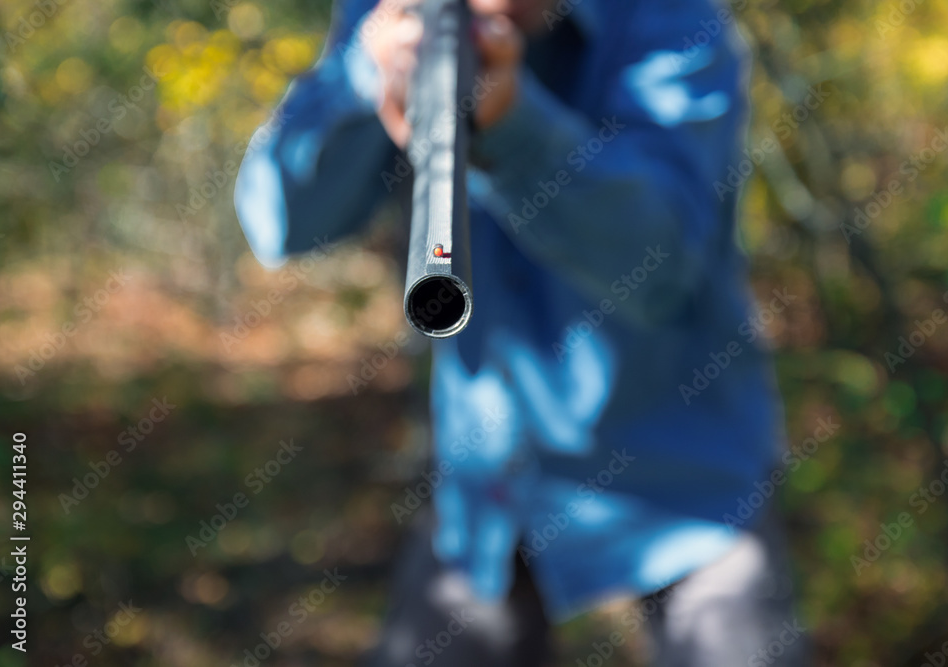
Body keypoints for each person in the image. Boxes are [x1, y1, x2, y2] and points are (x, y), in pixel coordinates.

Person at [234, 0, 809, 664]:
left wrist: (512, 124)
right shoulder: (392, 16)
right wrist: (365, 75)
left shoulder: (670, 19)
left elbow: (660, 267)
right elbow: (279, 219)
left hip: (689, 483)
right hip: (491, 491)